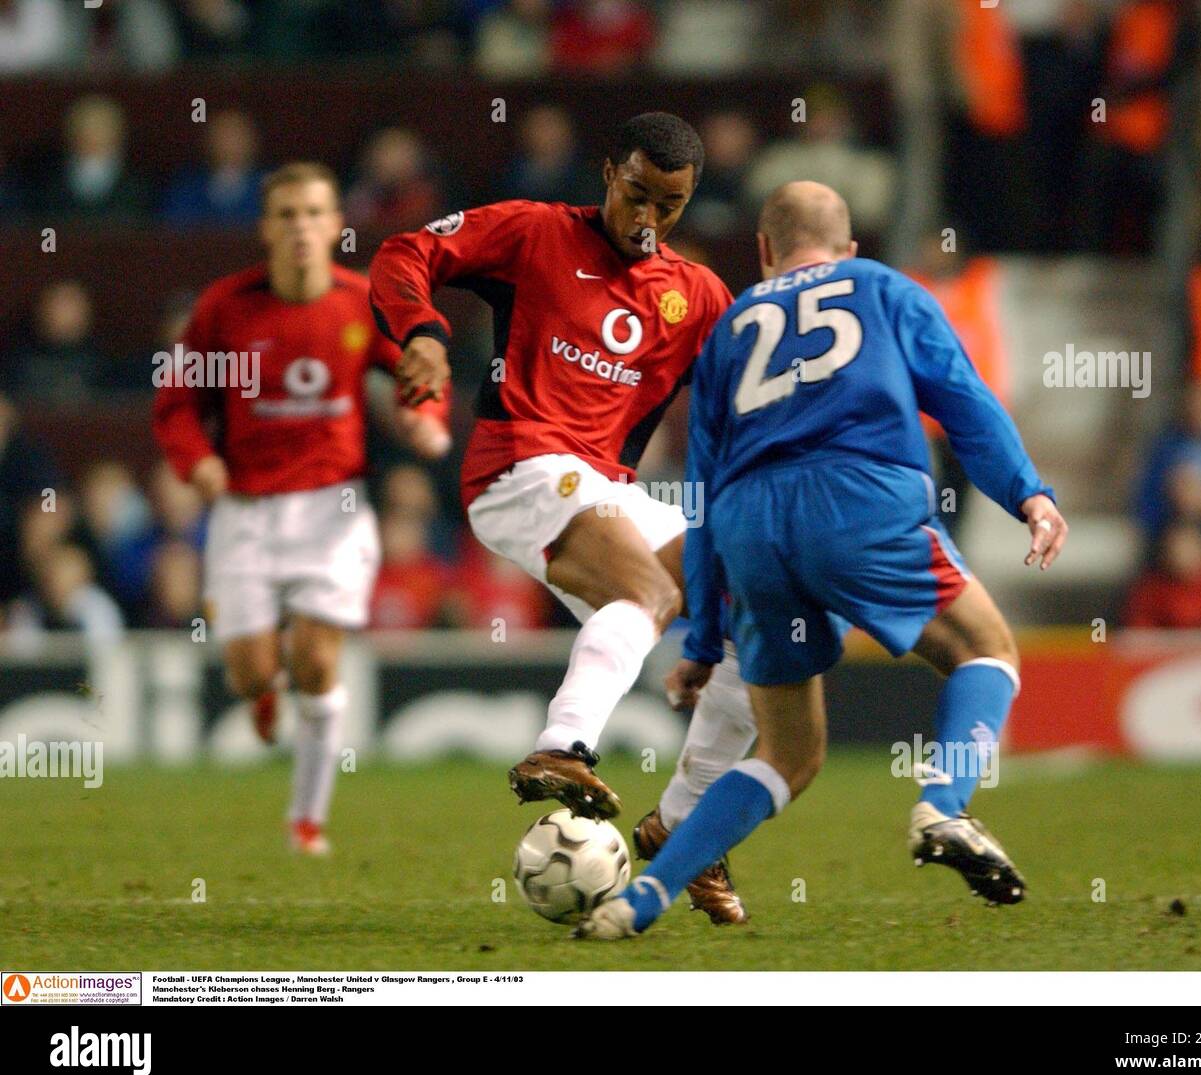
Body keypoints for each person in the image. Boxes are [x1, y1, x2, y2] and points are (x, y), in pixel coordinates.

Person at [576, 181, 1067, 940]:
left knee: (788, 753)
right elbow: (964, 401)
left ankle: (641, 898)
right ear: (849, 249)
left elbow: (700, 497)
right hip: (858, 494)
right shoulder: (882, 288)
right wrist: (1028, 494)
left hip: (748, 526)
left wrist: (704, 640)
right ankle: (942, 806)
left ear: (765, 253)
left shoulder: (731, 328)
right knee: (986, 651)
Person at [371, 112, 756, 924]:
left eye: (671, 206)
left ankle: (683, 829)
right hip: (520, 467)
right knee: (650, 593)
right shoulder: (534, 232)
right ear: (609, 171)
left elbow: (749, 406)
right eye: (638, 194)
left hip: (609, 489)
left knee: (746, 635)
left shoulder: (697, 296)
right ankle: (563, 746)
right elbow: (406, 253)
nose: (649, 220)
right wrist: (422, 334)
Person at [152, 162, 451, 855]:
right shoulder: (225, 308)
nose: (301, 228)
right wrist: (195, 459)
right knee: (252, 670)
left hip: (333, 508)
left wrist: (424, 416)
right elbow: (177, 402)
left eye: (314, 213)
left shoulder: (358, 302)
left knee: (316, 665)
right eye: (286, 214)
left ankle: (306, 820)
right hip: (246, 509)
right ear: (265, 228)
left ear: (336, 226)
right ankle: (262, 690)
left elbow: (417, 366)